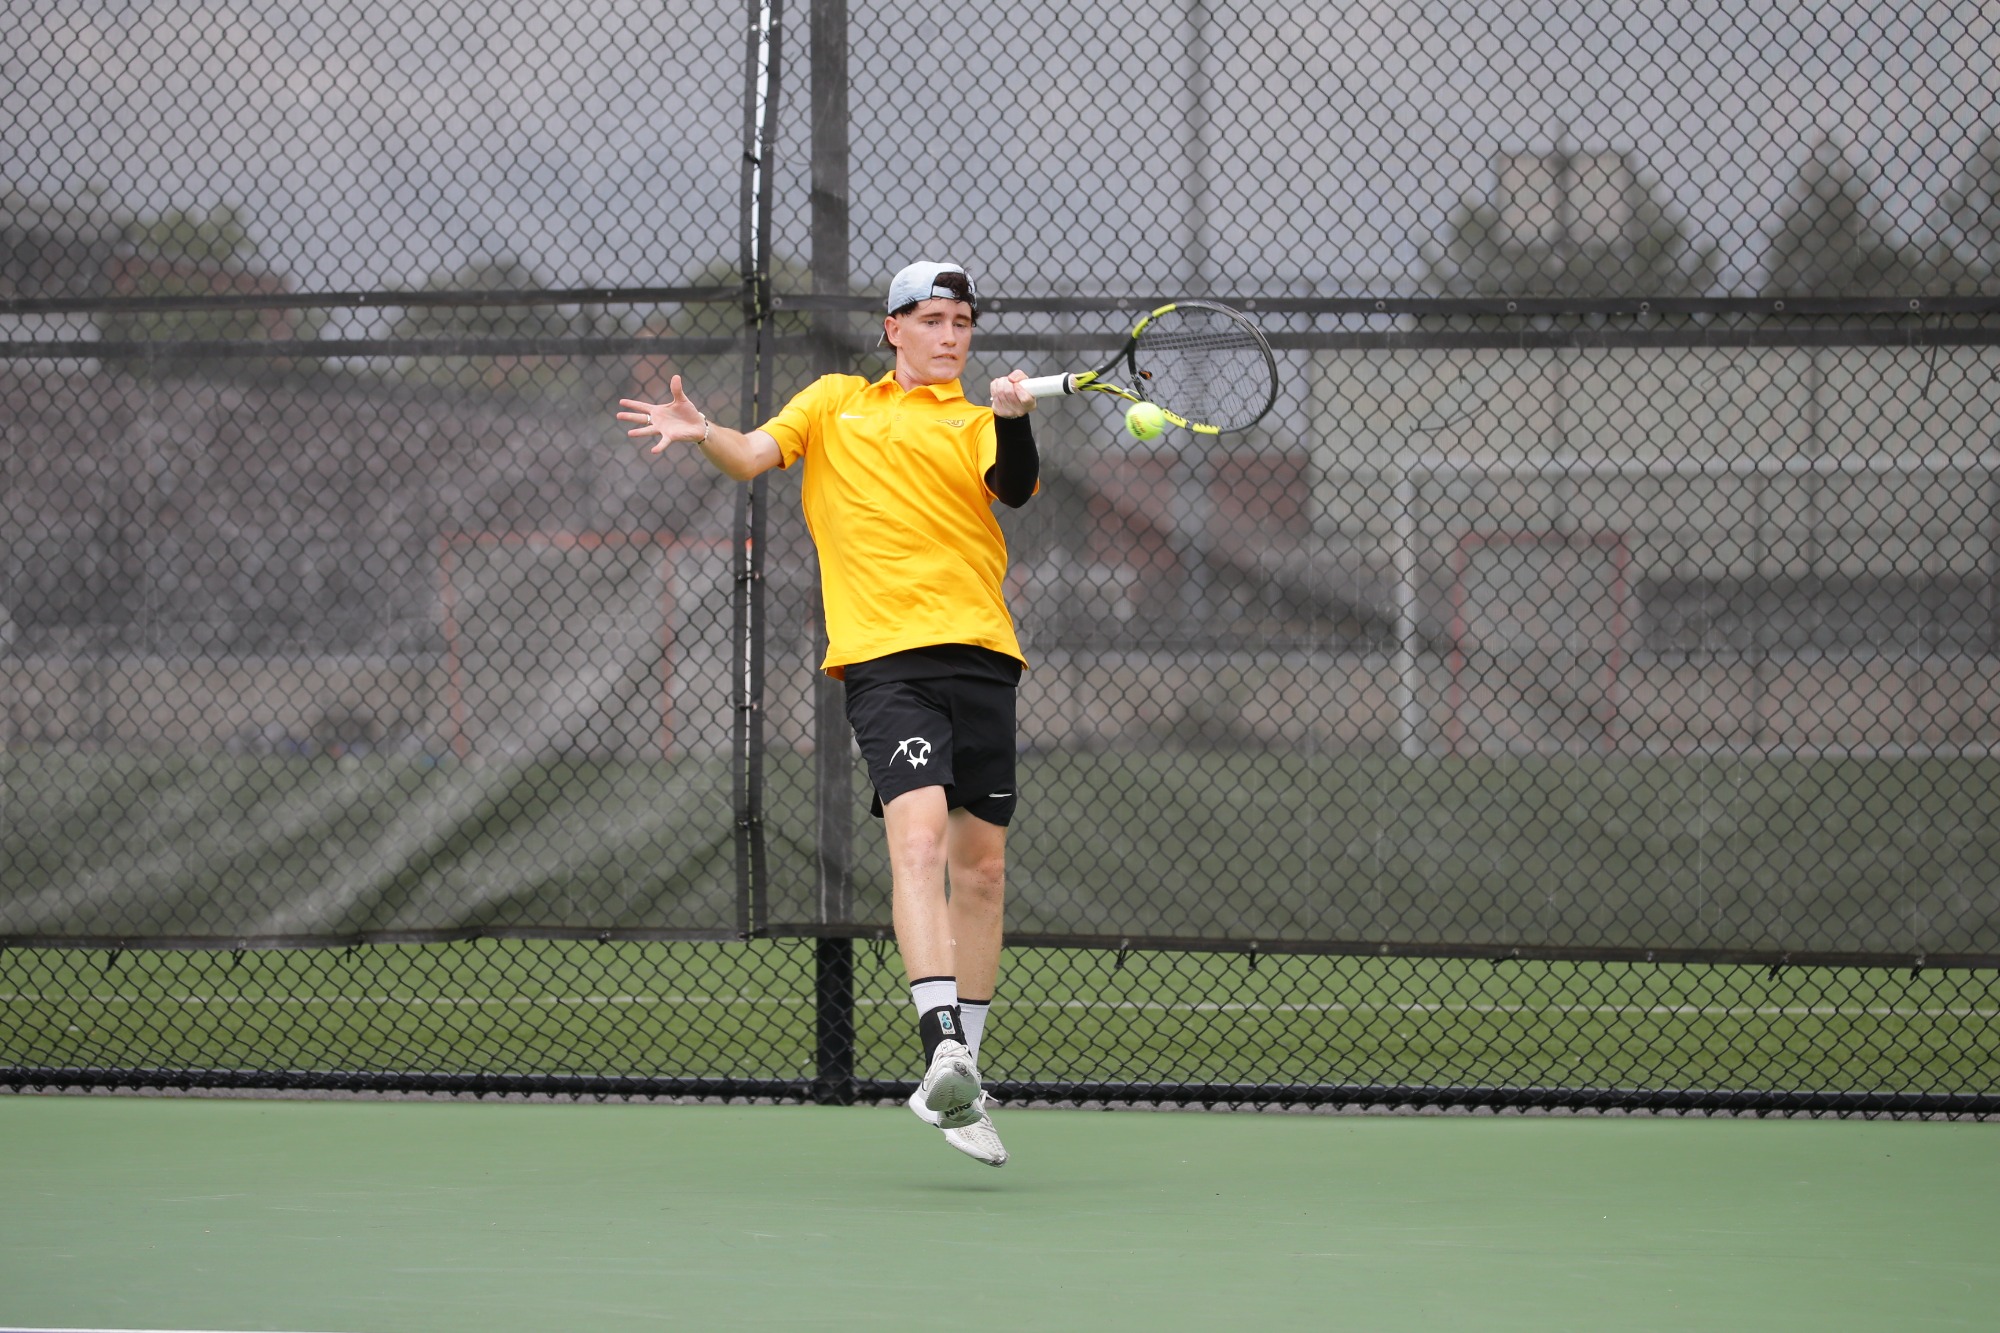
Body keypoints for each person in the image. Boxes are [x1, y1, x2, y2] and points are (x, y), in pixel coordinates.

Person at [616, 261, 1038, 1168]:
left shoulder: (975, 422)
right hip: (887, 664)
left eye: (963, 321)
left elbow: (1013, 485)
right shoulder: (833, 403)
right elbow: (751, 456)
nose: (951, 335)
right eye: (932, 319)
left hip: (985, 658)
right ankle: (944, 1050)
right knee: (917, 844)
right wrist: (700, 433)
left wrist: (1012, 419)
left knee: (985, 872)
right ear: (893, 328)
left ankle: (959, 1075)